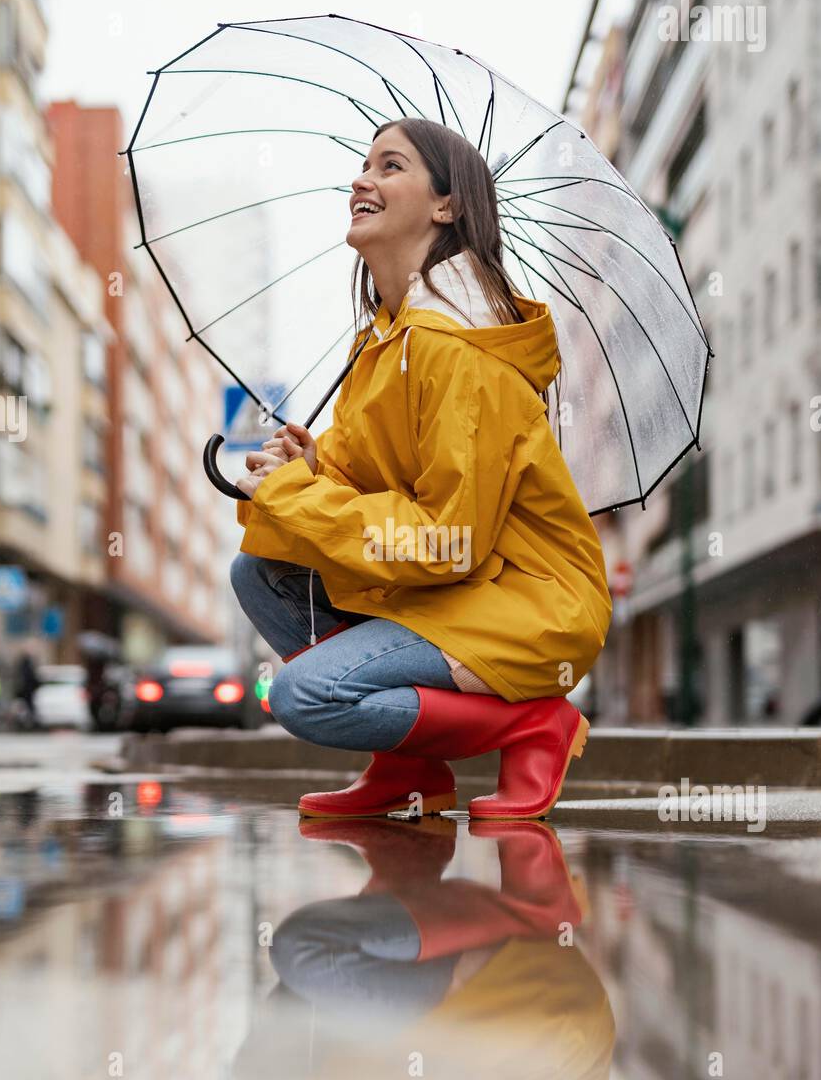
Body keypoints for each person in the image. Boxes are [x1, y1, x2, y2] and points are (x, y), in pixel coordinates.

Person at [229, 118, 612, 819]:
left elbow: (445, 539)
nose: (361, 179)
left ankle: (534, 725)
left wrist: (300, 498)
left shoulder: (456, 350)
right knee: (260, 571)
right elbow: (379, 496)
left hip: (527, 604)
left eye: (390, 166)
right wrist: (307, 472)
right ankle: (408, 769)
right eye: (363, 164)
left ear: (447, 205)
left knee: (303, 696)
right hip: (457, 590)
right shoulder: (386, 343)